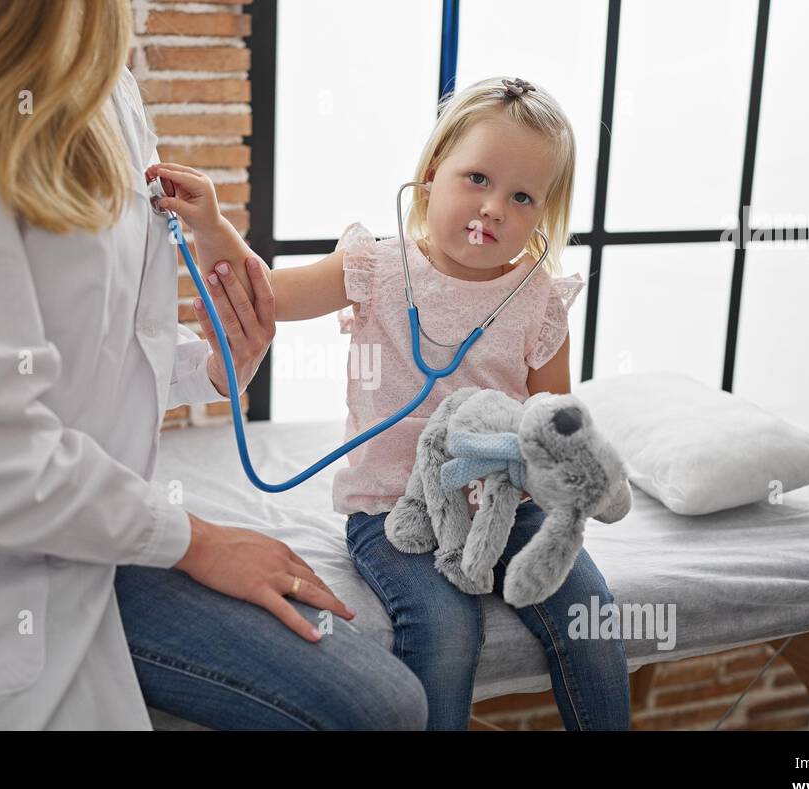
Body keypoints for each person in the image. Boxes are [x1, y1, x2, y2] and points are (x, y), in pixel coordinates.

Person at [0, 0, 427, 731]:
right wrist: (199, 541)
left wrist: (213, 370)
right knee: (379, 710)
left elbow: (80, 358)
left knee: (389, 705)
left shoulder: (103, 87)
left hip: (78, 525)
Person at [148, 76, 631, 731]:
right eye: (478, 179)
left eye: (521, 196)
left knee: (595, 621)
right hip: (394, 508)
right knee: (448, 631)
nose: (493, 208)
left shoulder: (539, 301)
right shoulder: (376, 269)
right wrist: (211, 225)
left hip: (507, 508)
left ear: (542, 215)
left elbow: (554, 423)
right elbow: (265, 294)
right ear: (431, 177)